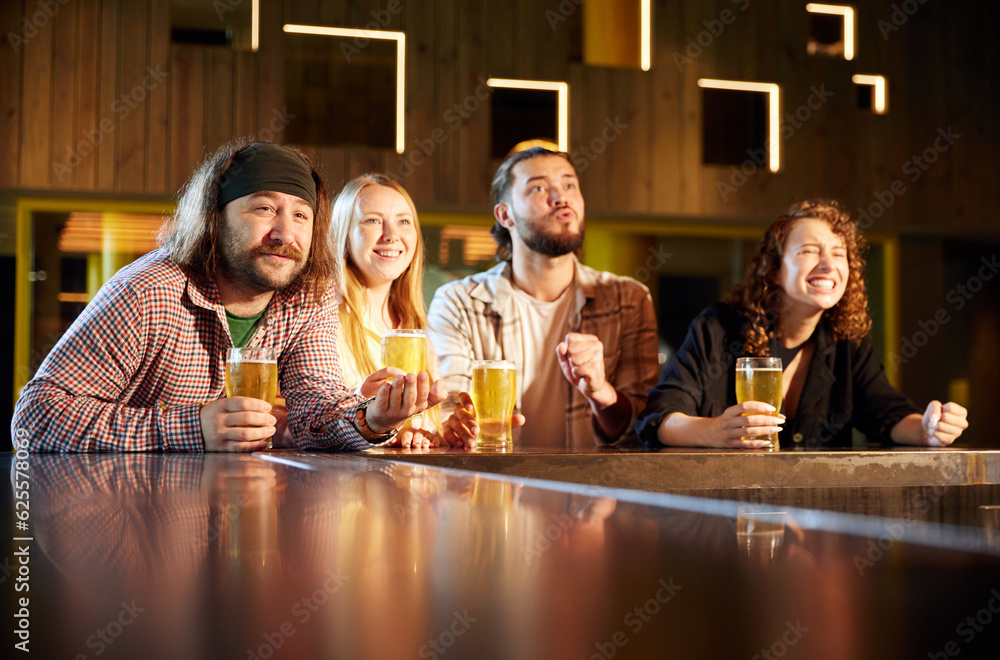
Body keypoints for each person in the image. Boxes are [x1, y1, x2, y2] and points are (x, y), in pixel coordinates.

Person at [11, 140, 444, 453]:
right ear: (215, 219)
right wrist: (191, 429)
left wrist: (371, 419)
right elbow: (35, 419)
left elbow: (316, 412)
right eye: (263, 209)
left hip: (234, 531)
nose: (285, 233)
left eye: (300, 215)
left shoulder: (305, 299)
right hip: (125, 533)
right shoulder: (147, 292)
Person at [635, 199, 969, 450]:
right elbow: (661, 416)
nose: (828, 264)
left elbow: (886, 414)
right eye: (810, 251)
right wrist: (712, 431)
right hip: (726, 516)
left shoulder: (846, 340)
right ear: (775, 269)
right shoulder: (718, 327)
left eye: (839, 254)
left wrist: (927, 428)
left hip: (814, 527)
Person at [427, 147, 659, 450]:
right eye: (538, 187)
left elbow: (639, 430)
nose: (560, 197)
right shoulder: (458, 303)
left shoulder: (628, 300)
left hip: (594, 493)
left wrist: (601, 393)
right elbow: (450, 412)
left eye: (569, 185)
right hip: (490, 491)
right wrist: (458, 425)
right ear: (505, 215)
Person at [327, 173, 440, 449]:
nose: (391, 236)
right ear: (343, 234)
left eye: (403, 221)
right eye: (373, 221)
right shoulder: (322, 316)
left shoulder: (417, 325)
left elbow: (425, 425)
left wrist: (441, 431)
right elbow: (297, 421)